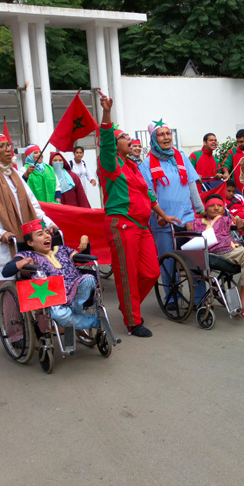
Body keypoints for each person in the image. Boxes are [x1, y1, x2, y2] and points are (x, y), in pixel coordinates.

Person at [97, 93, 180, 337]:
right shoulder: (110, 164)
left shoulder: (132, 165)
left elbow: (148, 196)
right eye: (122, 137)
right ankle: (133, 321)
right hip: (122, 224)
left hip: (142, 226)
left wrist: (163, 215)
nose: (128, 139)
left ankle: (127, 305)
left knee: (151, 272)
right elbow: (106, 139)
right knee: (127, 274)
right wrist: (107, 113)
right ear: (114, 145)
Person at [0, 134, 56, 283]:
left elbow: (33, 205)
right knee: (9, 286)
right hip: (3, 243)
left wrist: (48, 223)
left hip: (25, 239)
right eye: (1, 146)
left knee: (31, 285)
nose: (8, 149)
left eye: (8, 145)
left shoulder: (14, 174)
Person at [139, 119, 206, 307]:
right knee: (168, 262)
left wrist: (200, 210)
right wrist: (159, 215)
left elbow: (191, 184)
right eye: (161, 134)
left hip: (186, 217)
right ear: (154, 139)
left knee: (195, 259)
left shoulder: (181, 157)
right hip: (163, 220)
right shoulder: (146, 165)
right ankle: (172, 298)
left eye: (168, 134)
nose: (166, 137)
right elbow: (148, 193)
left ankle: (200, 299)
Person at [1, 220, 100, 334]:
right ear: (30, 242)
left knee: (89, 279)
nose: (46, 236)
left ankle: (68, 319)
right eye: (40, 234)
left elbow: (82, 259)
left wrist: (85, 243)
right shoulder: (29, 255)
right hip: (53, 294)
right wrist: (23, 262)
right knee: (59, 314)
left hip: (75, 288)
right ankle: (94, 321)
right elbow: (6, 272)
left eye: (47, 232)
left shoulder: (62, 249)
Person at [190, 194, 244, 314]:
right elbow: (189, 233)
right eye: (212, 206)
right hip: (212, 254)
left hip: (232, 251)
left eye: (220, 206)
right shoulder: (196, 222)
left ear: (224, 209)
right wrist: (188, 226)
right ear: (205, 210)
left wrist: (238, 220)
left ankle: (242, 295)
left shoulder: (225, 220)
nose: (216, 208)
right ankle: (242, 297)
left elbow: (237, 221)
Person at [220, 129, 244, 199]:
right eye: (238, 142)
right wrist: (226, 172)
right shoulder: (233, 151)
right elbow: (226, 164)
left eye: (241, 142)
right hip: (237, 191)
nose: (239, 144)